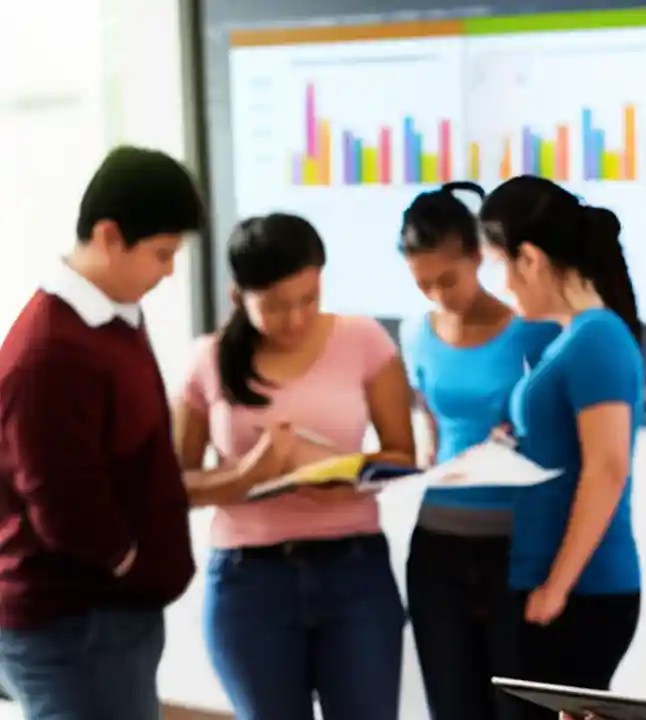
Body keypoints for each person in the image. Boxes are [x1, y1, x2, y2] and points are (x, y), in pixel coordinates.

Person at [0, 146, 296, 720]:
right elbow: (61, 501)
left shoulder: (111, 320)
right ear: (110, 237)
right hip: (75, 621)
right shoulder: (50, 351)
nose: (169, 271)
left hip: (109, 615)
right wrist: (129, 563)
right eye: (162, 253)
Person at [172, 213, 416, 720]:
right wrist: (247, 475)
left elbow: (400, 455)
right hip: (248, 582)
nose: (298, 318)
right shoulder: (208, 360)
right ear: (239, 297)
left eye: (310, 297)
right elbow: (175, 485)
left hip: (354, 573)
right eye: (278, 306)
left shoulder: (363, 340)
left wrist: (347, 473)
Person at [477, 176, 645, 718]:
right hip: (558, 585)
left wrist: (557, 586)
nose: (502, 285)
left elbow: (607, 468)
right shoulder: (573, 336)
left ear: (528, 259)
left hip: (583, 593)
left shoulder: (597, 337)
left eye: (499, 266)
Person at [398, 181, 561, 720]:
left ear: (476, 256)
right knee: (452, 707)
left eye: (449, 278)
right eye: (424, 285)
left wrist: (518, 435)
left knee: (518, 708)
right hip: (437, 546)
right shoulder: (415, 335)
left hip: (514, 549)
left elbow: (559, 433)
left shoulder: (531, 333)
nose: (439, 295)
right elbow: (432, 431)